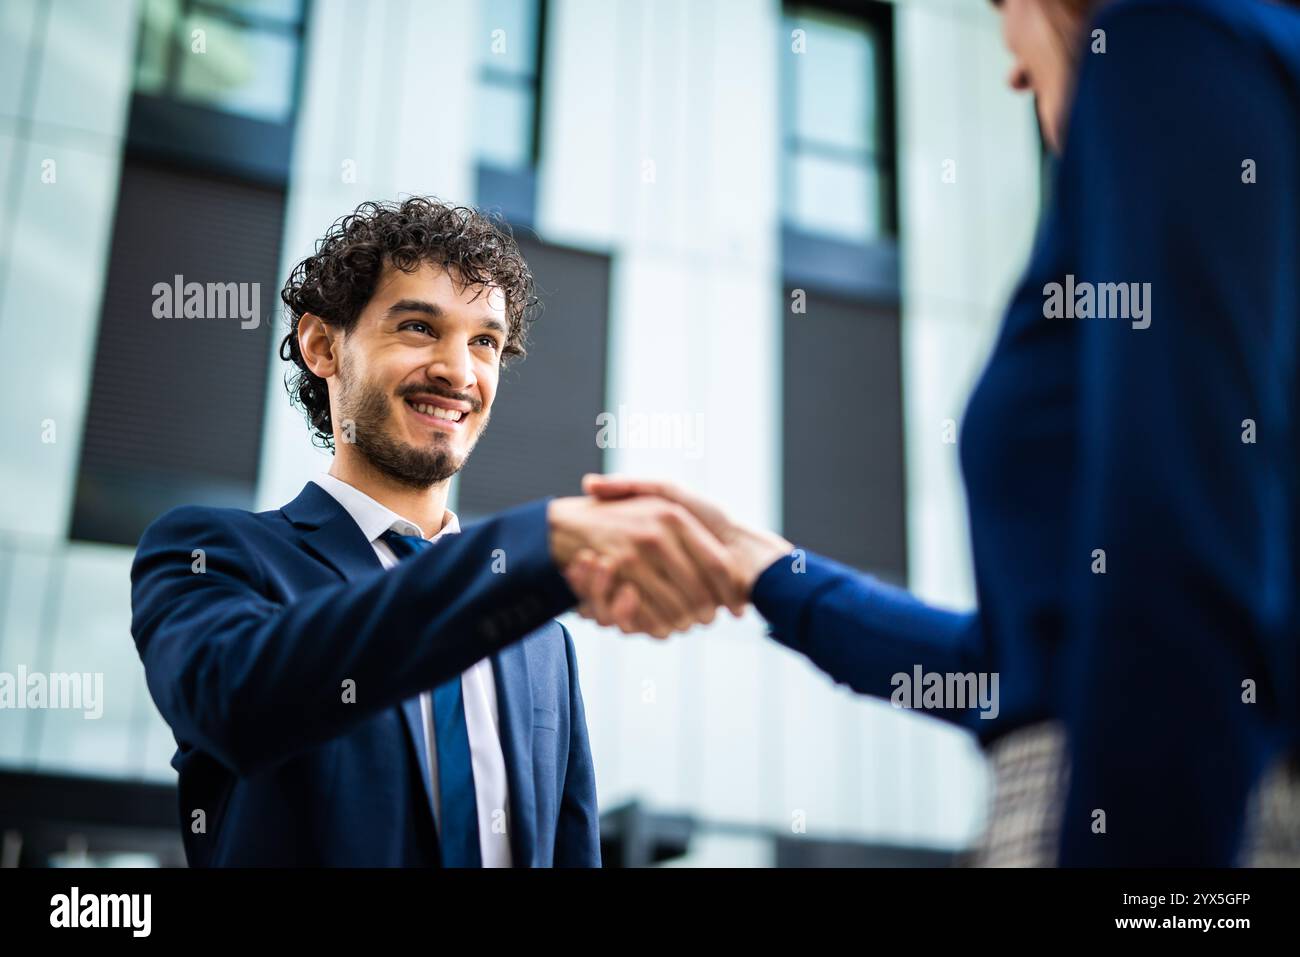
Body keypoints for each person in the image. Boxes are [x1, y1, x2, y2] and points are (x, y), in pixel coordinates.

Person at [572, 0, 1300, 866]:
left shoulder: (1170, 33)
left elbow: (1180, 556)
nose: (1012, 66)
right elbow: (1020, 669)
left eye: (1004, 7)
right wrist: (763, 571)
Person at [130, 197, 743, 866]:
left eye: (485, 340)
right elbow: (233, 702)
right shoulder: (213, 553)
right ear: (322, 345)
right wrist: (540, 539)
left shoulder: (542, 644)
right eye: (420, 326)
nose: (460, 371)